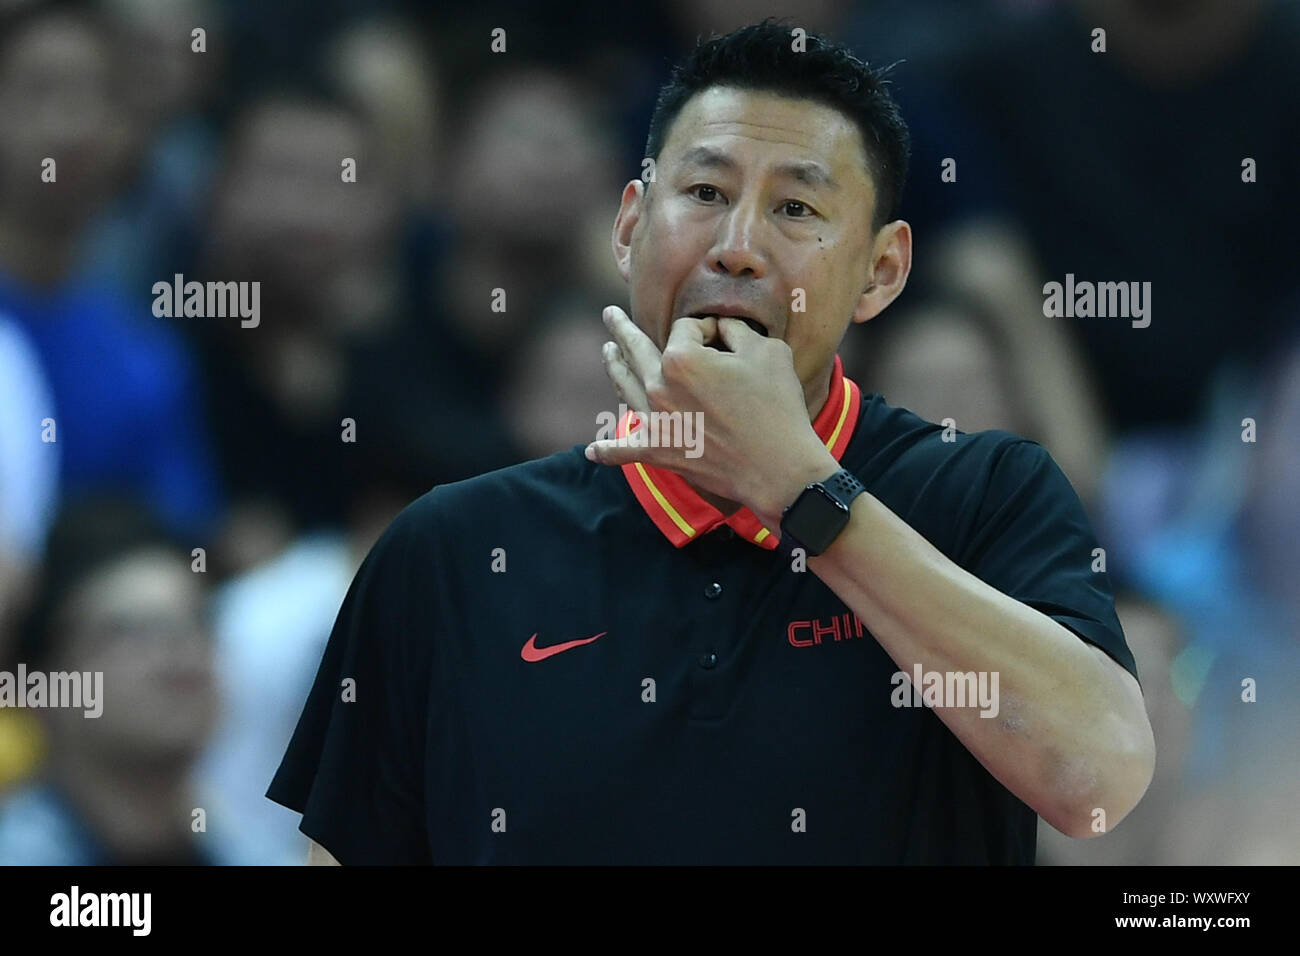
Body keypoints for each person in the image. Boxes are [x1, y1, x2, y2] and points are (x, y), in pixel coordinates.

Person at [268, 19, 1154, 865]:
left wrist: (804, 491)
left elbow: (1098, 780)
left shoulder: (985, 495)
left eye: (797, 207)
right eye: (704, 193)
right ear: (627, 227)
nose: (736, 248)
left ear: (882, 271)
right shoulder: (453, 551)